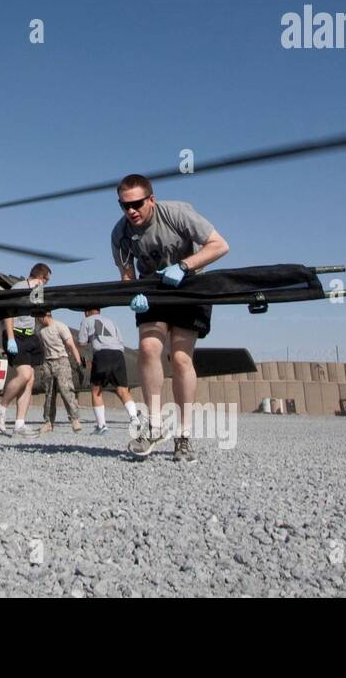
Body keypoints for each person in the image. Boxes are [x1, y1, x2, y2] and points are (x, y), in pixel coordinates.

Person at [112, 174, 228, 463]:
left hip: (190, 287)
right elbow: (127, 275)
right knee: (148, 347)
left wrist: (184, 266)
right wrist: (133, 295)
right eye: (125, 205)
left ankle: (184, 436)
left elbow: (219, 245)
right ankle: (154, 426)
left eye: (137, 204)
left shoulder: (177, 214)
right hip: (153, 290)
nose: (131, 211)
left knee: (180, 358)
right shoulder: (120, 233)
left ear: (151, 199)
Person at [0, 263, 52, 437]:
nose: (46, 284)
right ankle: (1, 409)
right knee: (25, 375)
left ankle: (20, 424)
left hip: (30, 336)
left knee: (30, 379)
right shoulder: (19, 288)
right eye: (46, 280)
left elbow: (37, 314)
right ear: (40, 277)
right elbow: (9, 313)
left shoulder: (38, 291)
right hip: (16, 335)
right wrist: (11, 338)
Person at [78, 307, 138, 434]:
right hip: (118, 354)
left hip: (102, 354)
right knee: (123, 389)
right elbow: (120, 341)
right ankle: (134, 418)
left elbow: (81, 342)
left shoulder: (86, 320)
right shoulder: (111, 321)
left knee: (96, 390)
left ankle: (101, 426)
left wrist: (84, 358)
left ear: (86, 312)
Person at [34, 310, 84, 433]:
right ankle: (48, 422)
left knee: (66, 390)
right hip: (48, 363)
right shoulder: (40, 330)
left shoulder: (60, 326)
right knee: (49, 394)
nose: (38, 319)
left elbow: (71, 345)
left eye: (39, 317)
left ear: (45, 315)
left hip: (61, 361)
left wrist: (79, 363)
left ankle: (75, 419)